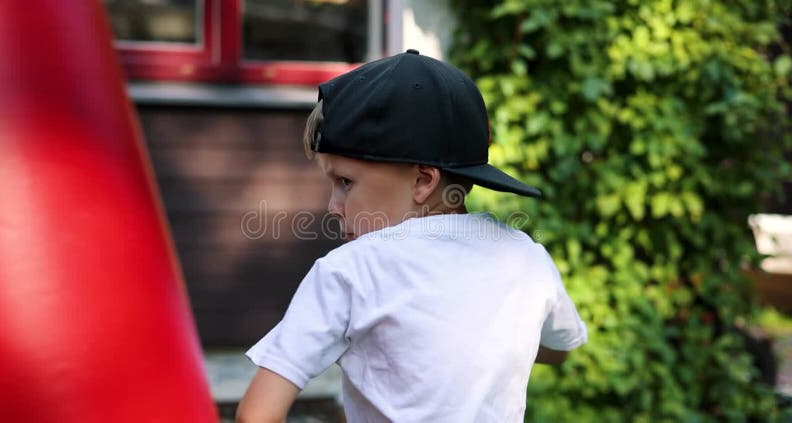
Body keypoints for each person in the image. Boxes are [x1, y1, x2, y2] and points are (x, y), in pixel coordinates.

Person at [236, 49, 587, 423]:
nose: (333, 205)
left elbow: (256, 415)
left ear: (422, 181)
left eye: (345, 182)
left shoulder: (349, 272)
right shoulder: (525, 258)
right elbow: (559, 347)